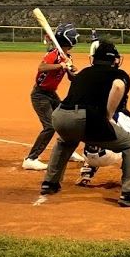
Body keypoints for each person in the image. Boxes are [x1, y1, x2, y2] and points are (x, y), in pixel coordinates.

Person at [41, 40, 130, 206]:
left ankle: (50, 183)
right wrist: (108, 114)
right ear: (115, 59)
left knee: (65, 141)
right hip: (86, 119)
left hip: (60, 116)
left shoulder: (84, 72)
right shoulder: (119, 74)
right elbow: (118, 87)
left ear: (94, 58)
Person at [22, 23, 84, 170]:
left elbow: (71, 78)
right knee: (49, 126)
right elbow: (42, 67)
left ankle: (67, 150)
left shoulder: (66, 56)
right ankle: (31, 159)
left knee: (66, 120)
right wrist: (61, 65)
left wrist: (72, 70)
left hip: (51, 94)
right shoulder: (53, 54)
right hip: (40, 95)